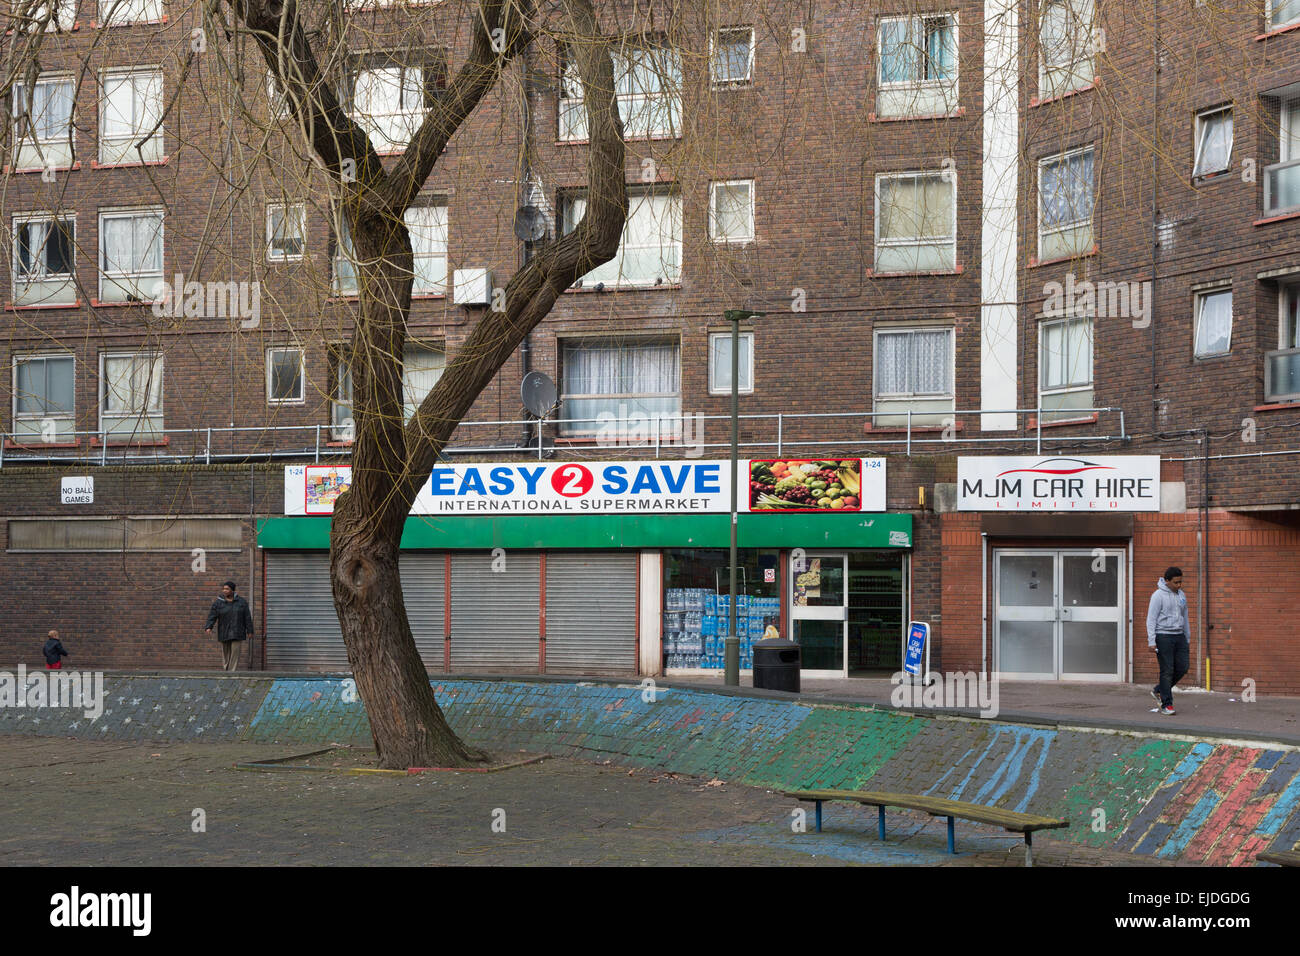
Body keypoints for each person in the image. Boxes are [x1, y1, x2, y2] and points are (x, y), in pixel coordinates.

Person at [1147, 566, 1190, 716]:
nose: (1179, 585)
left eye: (1180, 582)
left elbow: (1185, 618)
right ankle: (1167, 704)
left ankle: (1159, 690)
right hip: (1163, 636)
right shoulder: (1158, 596)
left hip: (1179, 636)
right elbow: (1151, 619)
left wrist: (1187, 637)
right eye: (1176, 582)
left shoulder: (1181, 595)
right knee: (1167, 670)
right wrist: (1151, 641)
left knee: (1183, 666)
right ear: (1166, 581)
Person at [205, 581, 254, 671]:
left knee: (235, 652)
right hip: (224, 631)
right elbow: (212, 615)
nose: (224, 591)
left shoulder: (241, 602)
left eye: (227, 589)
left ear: (232, 590)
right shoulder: (218, 603)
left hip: (237, 631)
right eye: (223, 589)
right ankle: (226, 670)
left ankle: (232, 671)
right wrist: (209, 627)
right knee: (226, 653)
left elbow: (247, 617)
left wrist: (250, 631)